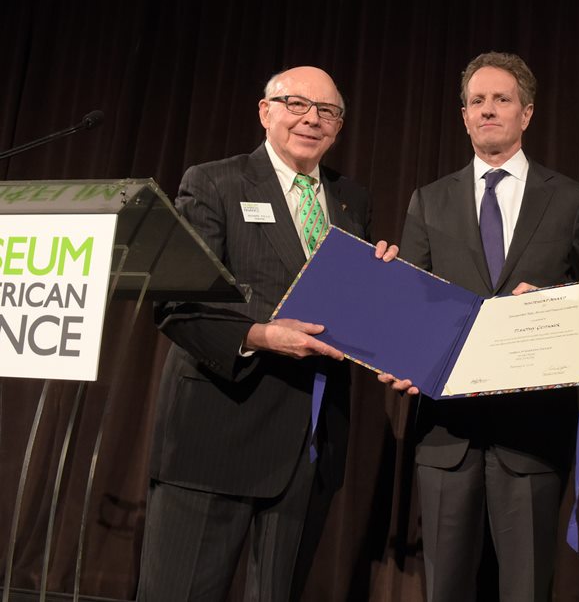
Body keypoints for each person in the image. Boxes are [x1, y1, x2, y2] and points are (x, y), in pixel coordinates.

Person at [138, 66, 396, 601]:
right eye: (296, 103)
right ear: (265, 111)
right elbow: (177, 303)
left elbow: (347, 311)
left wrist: (383, 288)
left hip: (311, 444)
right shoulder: (213, 182)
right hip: (217, 432)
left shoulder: (352, 200)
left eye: (327, 111)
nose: (311, 118)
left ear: (339, 126)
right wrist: (259, 334)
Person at [379, 52, 579, 601]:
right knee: (446, 591)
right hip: (445, 437)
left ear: (526, 114)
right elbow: (409, 305)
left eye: (501, 99)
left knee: (527, 590)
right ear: (463, 116)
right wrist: (389, 319)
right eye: (476, 101)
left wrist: (554, 307)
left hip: (531, 437)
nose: (488, 110)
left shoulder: (572, 200)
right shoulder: (428, 200)